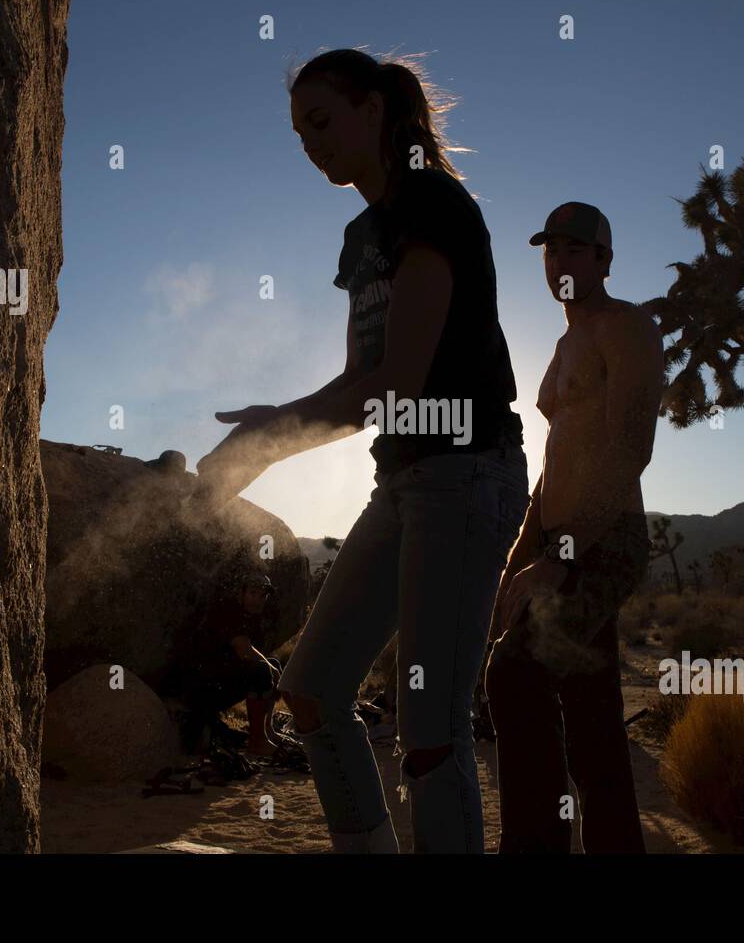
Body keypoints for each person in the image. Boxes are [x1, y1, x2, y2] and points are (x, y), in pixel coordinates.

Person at [193, 48, 529, 853]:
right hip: (404, 481)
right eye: (298, 131)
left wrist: (267, 442)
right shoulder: (362, 237)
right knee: (309, 693)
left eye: (322, 120)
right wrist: (276, 418)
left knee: (430, 725)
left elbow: (404, 379)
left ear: (374, 109)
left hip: (468, 472)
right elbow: (361, 389)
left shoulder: (434, 203)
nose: (309, 142)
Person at [484, 202, 664, 853]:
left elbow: (629, 448)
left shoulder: (627, 327)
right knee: (594, 723)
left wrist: (560, 553)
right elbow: (553, 467)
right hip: (561, 543)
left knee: (515, 675)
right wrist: (515, 567)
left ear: (605, 260)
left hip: (605, 539)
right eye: (549, 250)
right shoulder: (563, 345)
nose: (558, 261)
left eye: (573, 250)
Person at [172, 571, 284, 757]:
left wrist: (274, 669)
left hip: (221, 679)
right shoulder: (228, 612)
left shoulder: (251, 617)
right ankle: (257, 742)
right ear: (241, 593)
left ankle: (267, 731)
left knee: (272, 664)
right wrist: (273, 672)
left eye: (262, 595)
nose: (257, 599)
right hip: (202, 687)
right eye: (253, 593)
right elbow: (244, 650)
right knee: (264, 670)